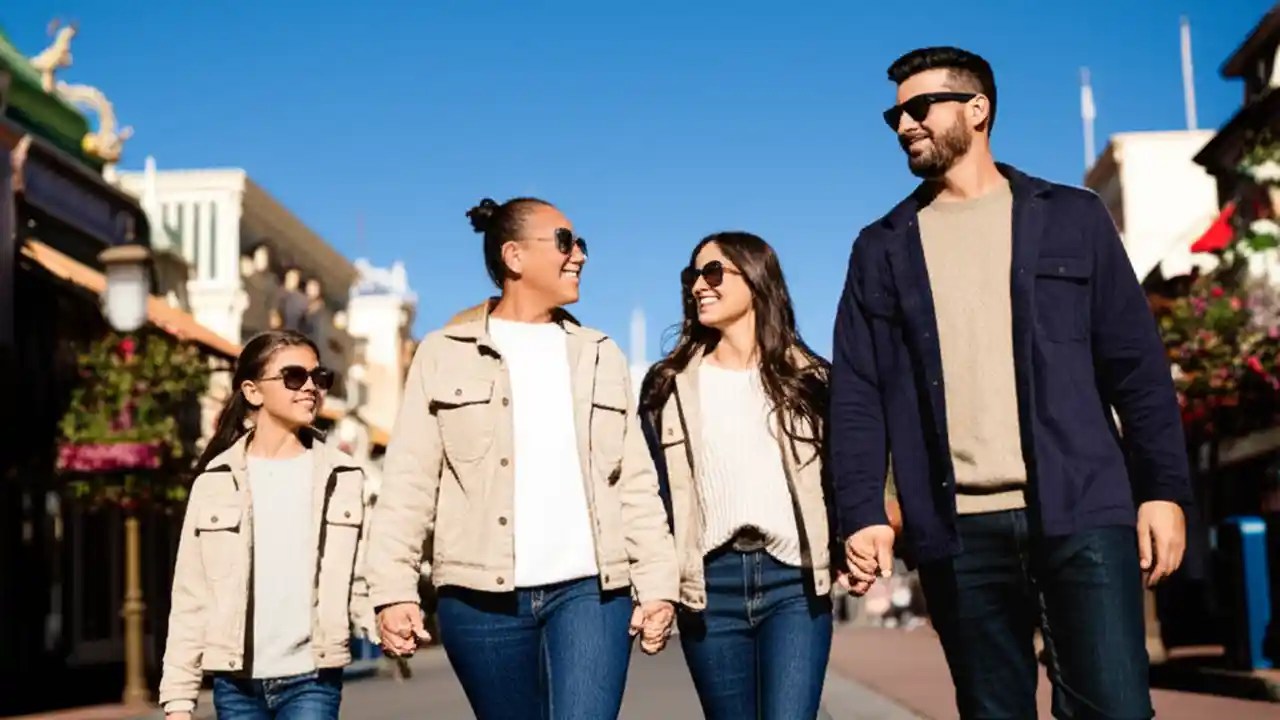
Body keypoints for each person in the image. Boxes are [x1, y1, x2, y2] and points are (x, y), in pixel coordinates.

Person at [829, 46, 1192, 719]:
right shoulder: (880, 247)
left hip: (1084, 509)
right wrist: (863, 512)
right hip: (958, 529)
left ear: (978, 109)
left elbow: (1136, 365)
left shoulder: (1073, 217)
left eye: (918, 108)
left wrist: (1164, 490)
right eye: (893, 115)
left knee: (1115, 708)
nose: (903, 124)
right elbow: (857, 393)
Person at [364, 197, 679, 720]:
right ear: (514, 256)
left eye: (580, 243)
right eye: (564, 241)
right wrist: (393, 590)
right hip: (481, 597)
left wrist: (659, 585)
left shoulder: (600, 353)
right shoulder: (444, 352)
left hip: (591, 593)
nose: (578, 254)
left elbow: (636, 484)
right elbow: (409, 482)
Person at [639, 232, 835, 720]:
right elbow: (654, 493)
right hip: (710, 587)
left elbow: (840, 475)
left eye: (713, 273)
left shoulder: (812, 379)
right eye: (692, 276)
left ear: (756, 279)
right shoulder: (667, 386)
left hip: (794, 582)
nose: (698, 287)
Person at [158, 330, 372, 720]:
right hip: (236, 684)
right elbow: (191, 597)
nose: (310, 387)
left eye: (318, 377)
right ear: (253, 392)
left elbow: (360, 577)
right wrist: (178, 701)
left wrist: (384, 622)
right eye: (294, 377)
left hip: (312, 678)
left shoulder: (343, 476)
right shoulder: (215, 483)